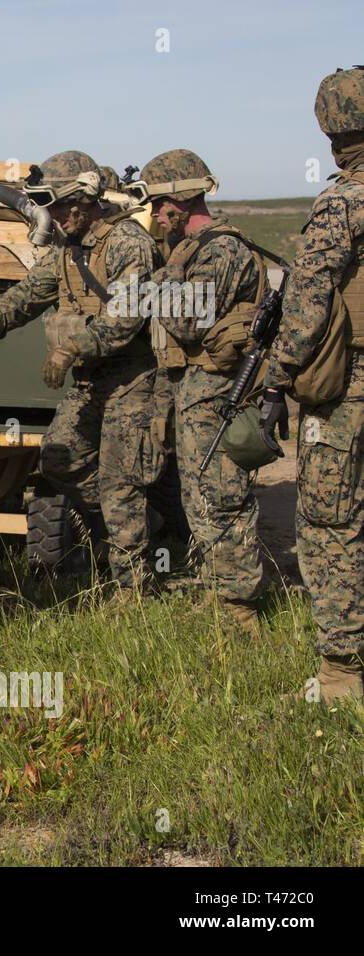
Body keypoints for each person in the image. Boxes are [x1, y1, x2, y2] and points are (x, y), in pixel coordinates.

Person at [0, 150, 164, 589]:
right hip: (90, 380)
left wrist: (68, 351)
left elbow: (124, 319)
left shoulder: (128, 243)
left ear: (83, 201)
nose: (54, 217)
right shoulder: (67, 247)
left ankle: (135, 589)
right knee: (59, 458)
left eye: (59, 207)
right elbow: (32, 291)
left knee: (121, 482)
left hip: (133, 380)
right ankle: (133, 522)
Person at [133, 149, 274, 637]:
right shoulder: (188, 253)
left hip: (218, 393)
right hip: (194, 393)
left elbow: (188, 322)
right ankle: (221, 591)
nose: (154, 216)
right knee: (199, 495)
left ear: (181, 201)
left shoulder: (221, 251)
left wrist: (157, 281)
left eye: (159, 206)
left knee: (222, 495)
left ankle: (240, 608)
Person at [263, 66, 364, 701]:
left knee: (330, 523)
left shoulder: (344, 201)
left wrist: (274, 377)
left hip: (350, 388)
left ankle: (342, 674)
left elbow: (307, 300)